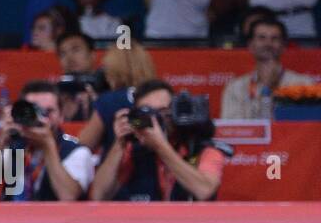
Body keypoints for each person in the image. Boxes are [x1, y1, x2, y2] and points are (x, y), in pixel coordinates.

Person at [89, 79, 232, 201]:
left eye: (163, 112)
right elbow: (98, 195)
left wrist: (160, 147)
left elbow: (204, 190)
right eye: (148, 114)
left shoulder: (204, 149)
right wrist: (119, 143)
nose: (157, 120)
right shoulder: (134, 151)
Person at [0, 81, 94, 201]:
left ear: (61, 115)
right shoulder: (12, 147)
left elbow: (68, 197)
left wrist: (48, 145)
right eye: (34, 111)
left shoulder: (78, 152)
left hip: (55, 219)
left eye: (49, 111)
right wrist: (1, 142)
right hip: (10, 218)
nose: (42, 118)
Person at [219, 17, 314, 119]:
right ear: (250, 45)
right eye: (262, 38)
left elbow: (306, 127)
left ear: (283, 46)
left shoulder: (304, 84)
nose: (268, 44)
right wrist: (267, 88)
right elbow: (233, 130)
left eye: (274, 38)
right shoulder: (235, 88)